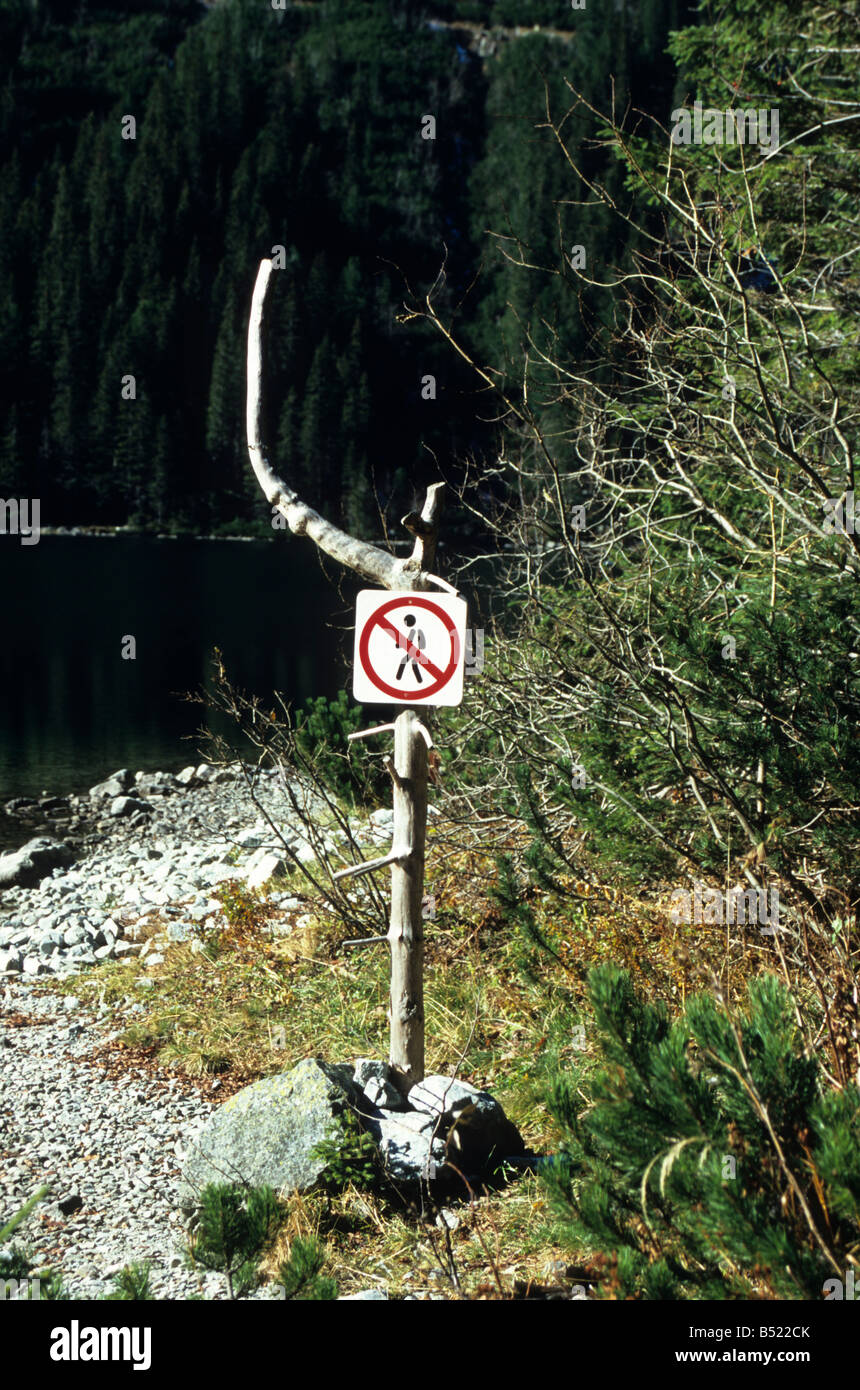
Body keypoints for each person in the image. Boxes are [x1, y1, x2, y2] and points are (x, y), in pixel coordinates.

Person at [395, 613, 426, 682]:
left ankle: (419, 680)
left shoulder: (415, 632)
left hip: (414, 651)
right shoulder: (413, 632)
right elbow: (408, 641)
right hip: (413, 650)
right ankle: (419, 680)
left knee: (411, 662)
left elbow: (420, 643)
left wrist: (399, 645)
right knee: (408, 662)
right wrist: (399, 645)